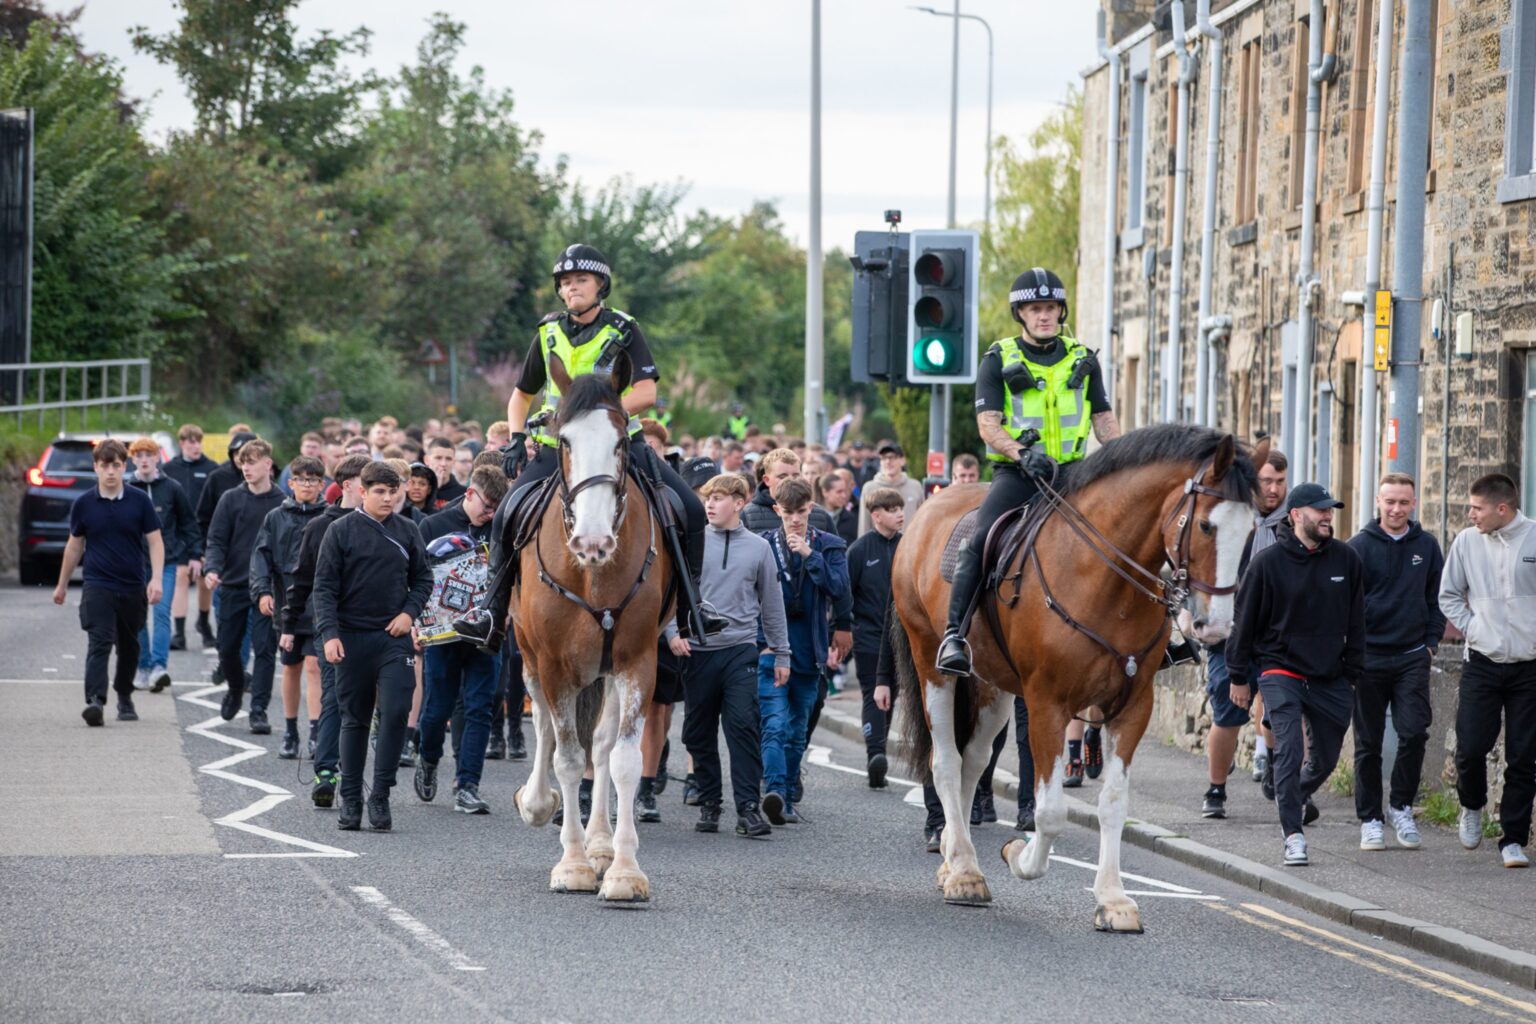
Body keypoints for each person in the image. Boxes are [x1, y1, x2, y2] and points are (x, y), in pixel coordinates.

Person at [471, 243, 723, 652]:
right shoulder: (547, 332)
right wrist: (517, 437)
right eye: (566, 283)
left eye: (581, 281)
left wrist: (599, 417)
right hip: (559, 448)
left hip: (620, 444)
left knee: (690, 509)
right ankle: (490, 612)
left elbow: (646, 391)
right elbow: (521, 396)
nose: (573, 289)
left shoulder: (623, 328)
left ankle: (692, 609)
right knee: (505, 516)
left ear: (600, 285)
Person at [936, 267, 1120, 674]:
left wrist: (1124, 453)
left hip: (1073, 474)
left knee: (1125, 532)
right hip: (1019, 475)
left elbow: (1103, 419)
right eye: (1035, 309)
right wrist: (1021, 453)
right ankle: (954, 635)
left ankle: (1149, 639)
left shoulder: (1082, 359)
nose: (1044, 316)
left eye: (1051, 308)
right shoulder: (999, 358)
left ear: (1061, 311)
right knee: (980, 540)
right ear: (1021, 313)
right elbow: (988, 425)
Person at [1225, 483, 1364, 867]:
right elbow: (1244, 624)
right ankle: (1293, 835)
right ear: (1296, 515)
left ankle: (1294, 795)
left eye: (1330, 511)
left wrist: (1352, 671)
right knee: (1289, 750)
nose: (1327, 517)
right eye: (1319, 511)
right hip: (1280, 669)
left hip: (1330, 675)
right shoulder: (1267, 564)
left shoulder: (1346, 560)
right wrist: (1239, 676)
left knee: (1326, 760)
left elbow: (1357, 620)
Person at [312, 461, 434, 832]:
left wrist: (409, 613)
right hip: (350, 637)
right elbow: (324, 587)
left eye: (391, 491)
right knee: (355, 718)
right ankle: (351, 798)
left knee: (397, 709)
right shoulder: (339, 530)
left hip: (392, 638)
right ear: (362, 492)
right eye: (378, 491)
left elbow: (423, 578)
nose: (386, 497)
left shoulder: (408, 530)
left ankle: (380, 794)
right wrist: (329, 634)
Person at [670, 473, 787, 838]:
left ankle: (748, 810)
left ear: (739, 503)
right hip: (697, 650)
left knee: (742, 726)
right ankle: (709, 803)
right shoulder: (692, 542)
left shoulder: (759, 548)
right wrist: (672, 633)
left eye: (719, 497)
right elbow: (669, 591)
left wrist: (781, 653)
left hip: (740, 649)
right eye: (708, 497)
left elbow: (772, 603)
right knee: (697, 733)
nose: (710, 503)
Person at [1438, 472, 1536, 869]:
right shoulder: (1466, 542)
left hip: (1529, 666)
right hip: (1481, 662)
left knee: (1524, 757)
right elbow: (1448, 595)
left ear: (1503, 508)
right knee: (1470, 747)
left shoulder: (1533, 537)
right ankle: (1472, 806)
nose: (1470, 514)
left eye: (1477, 508)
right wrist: (1475, 628)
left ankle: (1512, 839)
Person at [1345, 473, 1446, 851]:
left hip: (1410, 658)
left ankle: (1400, 806)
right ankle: (1370, 818)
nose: (1396, 509)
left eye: (1404, 502)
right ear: (1378, 501)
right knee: (1367, 743)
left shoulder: (1427, 546)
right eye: (1390, 501)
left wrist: (1430, 643)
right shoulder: (1357, 547)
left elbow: (1438, 599)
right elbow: (1345, 606)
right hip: (1368, 659)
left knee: (1415, 731)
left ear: (1414, 503)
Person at [414, 463, 508, 815]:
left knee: (480, 707)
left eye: (497, 508)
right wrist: (414, 622)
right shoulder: (432, 525)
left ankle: (467, 784)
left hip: (486, 632)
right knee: (437, 708)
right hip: (442, 634)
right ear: (469, 493)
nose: (491, 513)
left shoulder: (502, 527)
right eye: (486, 506)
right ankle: (428, 757)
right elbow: (416, 578)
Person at [52, 439, 164, 725]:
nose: (111, 471)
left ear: (124, 467)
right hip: (97, 584)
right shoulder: (84, 504)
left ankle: (124, 696)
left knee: (129, 647)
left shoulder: (140, 501)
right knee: (99, 641)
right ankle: (95, 702)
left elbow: (155, 542)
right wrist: (62, 584)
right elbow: (74, 546)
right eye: (105, 466)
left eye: (116, 465)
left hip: (132, 585)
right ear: (96, 467)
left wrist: (157, 579)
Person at [758, 477, 848, 825]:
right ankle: (776, 792)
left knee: (797, 732)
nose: (795, 519)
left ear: (811, 507)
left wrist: (811, 556)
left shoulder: (829, 545)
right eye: (788, 513)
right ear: (776, 510)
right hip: (772, 650)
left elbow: (839, 588)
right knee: (774, 725)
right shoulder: (763, 545)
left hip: (810, 651)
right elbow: (751, 595)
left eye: (801, 512)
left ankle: (787, 795)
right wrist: (760, 641)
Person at [284, 453, 372, 807]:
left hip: (374, 627)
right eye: (367, 483)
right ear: (350, 485)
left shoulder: (383, 523)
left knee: (364, 701)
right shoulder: (321, 526)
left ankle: (360, 773)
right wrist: (290, 626)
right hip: (330, 626)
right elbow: (302, 578)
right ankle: (326, 772)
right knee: (335, 693)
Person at [204, 438, 285, 730]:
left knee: (265, 649)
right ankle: (236, 688)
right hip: (234, 584)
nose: (246, 467)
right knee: (226, 648)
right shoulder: (230, 499)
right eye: (242, 462)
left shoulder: (282, 503)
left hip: (268, 588)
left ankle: (259, 710)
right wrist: (211, 567)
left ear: (267, 464)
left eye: (252, 462)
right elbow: (216, 540)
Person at [251, 455, 329, 759]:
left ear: (322, 484)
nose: (306, 485)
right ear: (290, 482)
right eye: (301, 479)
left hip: (319, 605)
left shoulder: (328, 517)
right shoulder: (276, 517)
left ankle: (315, 730)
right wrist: (262, 592)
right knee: (291, 666)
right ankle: (290, 729)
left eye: (313, 479)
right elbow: (261, 557)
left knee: (314, 665)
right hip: (287, 603)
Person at [126, 437, 195, 693]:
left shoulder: (172, 487)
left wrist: (195, 555)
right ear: (133, 459)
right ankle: (143, 667)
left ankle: (159, 667)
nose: (144, 459)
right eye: (139, 455)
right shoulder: (127, 487)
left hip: (166, 561)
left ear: (157, 458)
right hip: (133, 562)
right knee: (138, 617)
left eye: (149, 454)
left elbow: (188, 522)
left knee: (161, 611)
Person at [847, 486, 903, 784]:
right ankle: (875, 754)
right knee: (873, 692)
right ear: (876, 515)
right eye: (893, 510)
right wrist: (842, 631)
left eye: (900, 509)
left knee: (890, 693)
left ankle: (878, 755)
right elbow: (845, 594)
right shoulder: (859, 551)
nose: (900, 514)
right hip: (868, 635)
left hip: (900, 641)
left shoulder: (908, 546)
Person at [162, 423, 217, 649]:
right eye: (191, 441)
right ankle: (179, 632)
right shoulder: (169, 469)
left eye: (198, 441)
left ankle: (203, 623)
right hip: (178, 533)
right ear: (182, 443)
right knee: (181, 576)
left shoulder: (212, 468)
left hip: (205, 532)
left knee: (205, 581)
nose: (195, 446)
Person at [856, 443, 925, 537]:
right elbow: (864, 524)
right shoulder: (869, 488)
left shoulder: (915, 486)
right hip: (878, 548)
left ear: (902, 460)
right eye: (883, 458)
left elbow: (922, 521)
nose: (888, 461)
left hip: (909, 547)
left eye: (892, 457)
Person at [817, 471, 858, 545]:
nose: (844, 496)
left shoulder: (850, 519)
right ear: (825, 492)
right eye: (839, 492)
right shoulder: (813, 516)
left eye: (844, 491)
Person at [426, 437, 465, 507]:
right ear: (427, 460)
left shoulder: (463, 494)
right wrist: (435, 488)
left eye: (448, 459)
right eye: (438, 458)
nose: (443, 464)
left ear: (454, 462)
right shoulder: (418, 489)